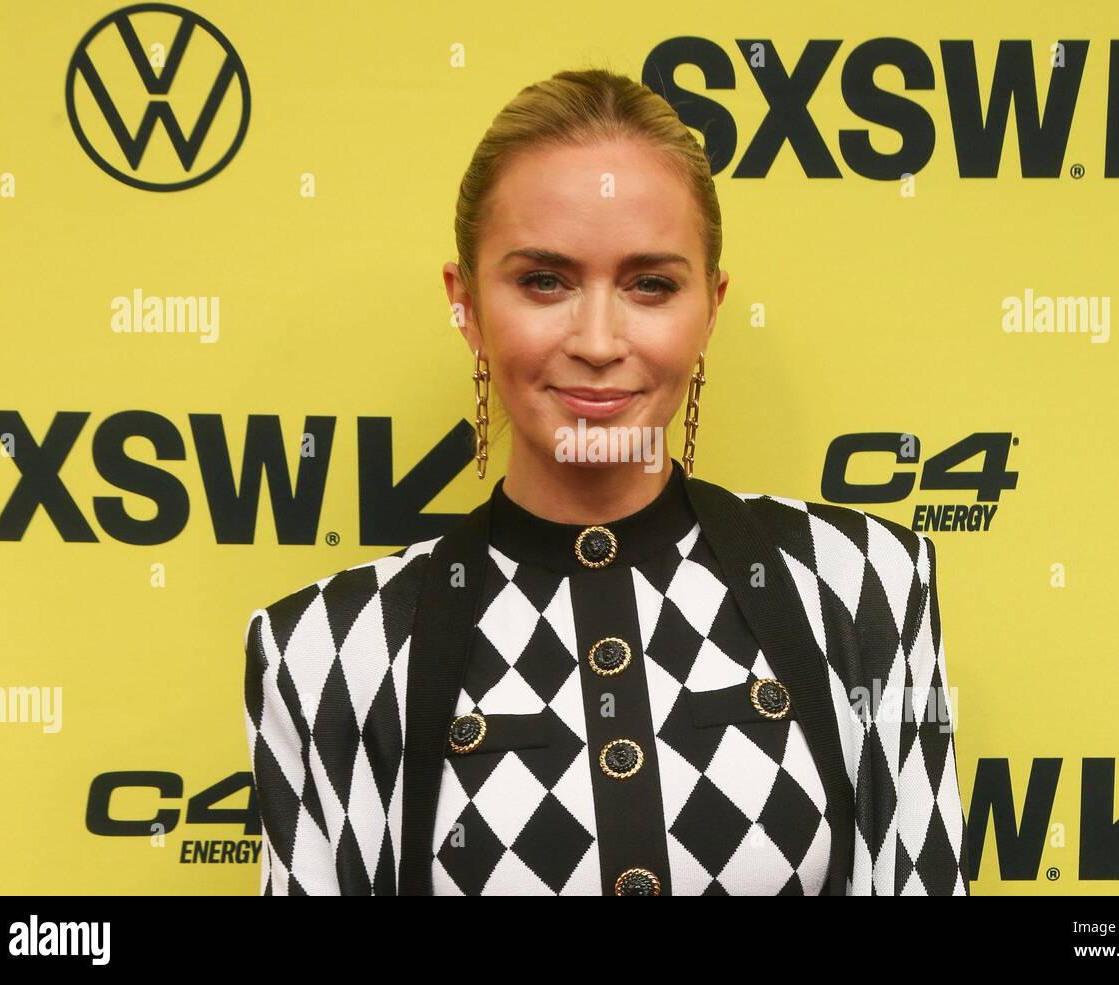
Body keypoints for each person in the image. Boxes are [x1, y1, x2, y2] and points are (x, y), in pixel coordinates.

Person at [242, 67, 969, 896]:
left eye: (650, 284)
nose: (596, 339)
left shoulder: (862, 583)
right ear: (468, 305)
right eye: (544, 281)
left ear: (711, 307)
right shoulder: (328, 648)